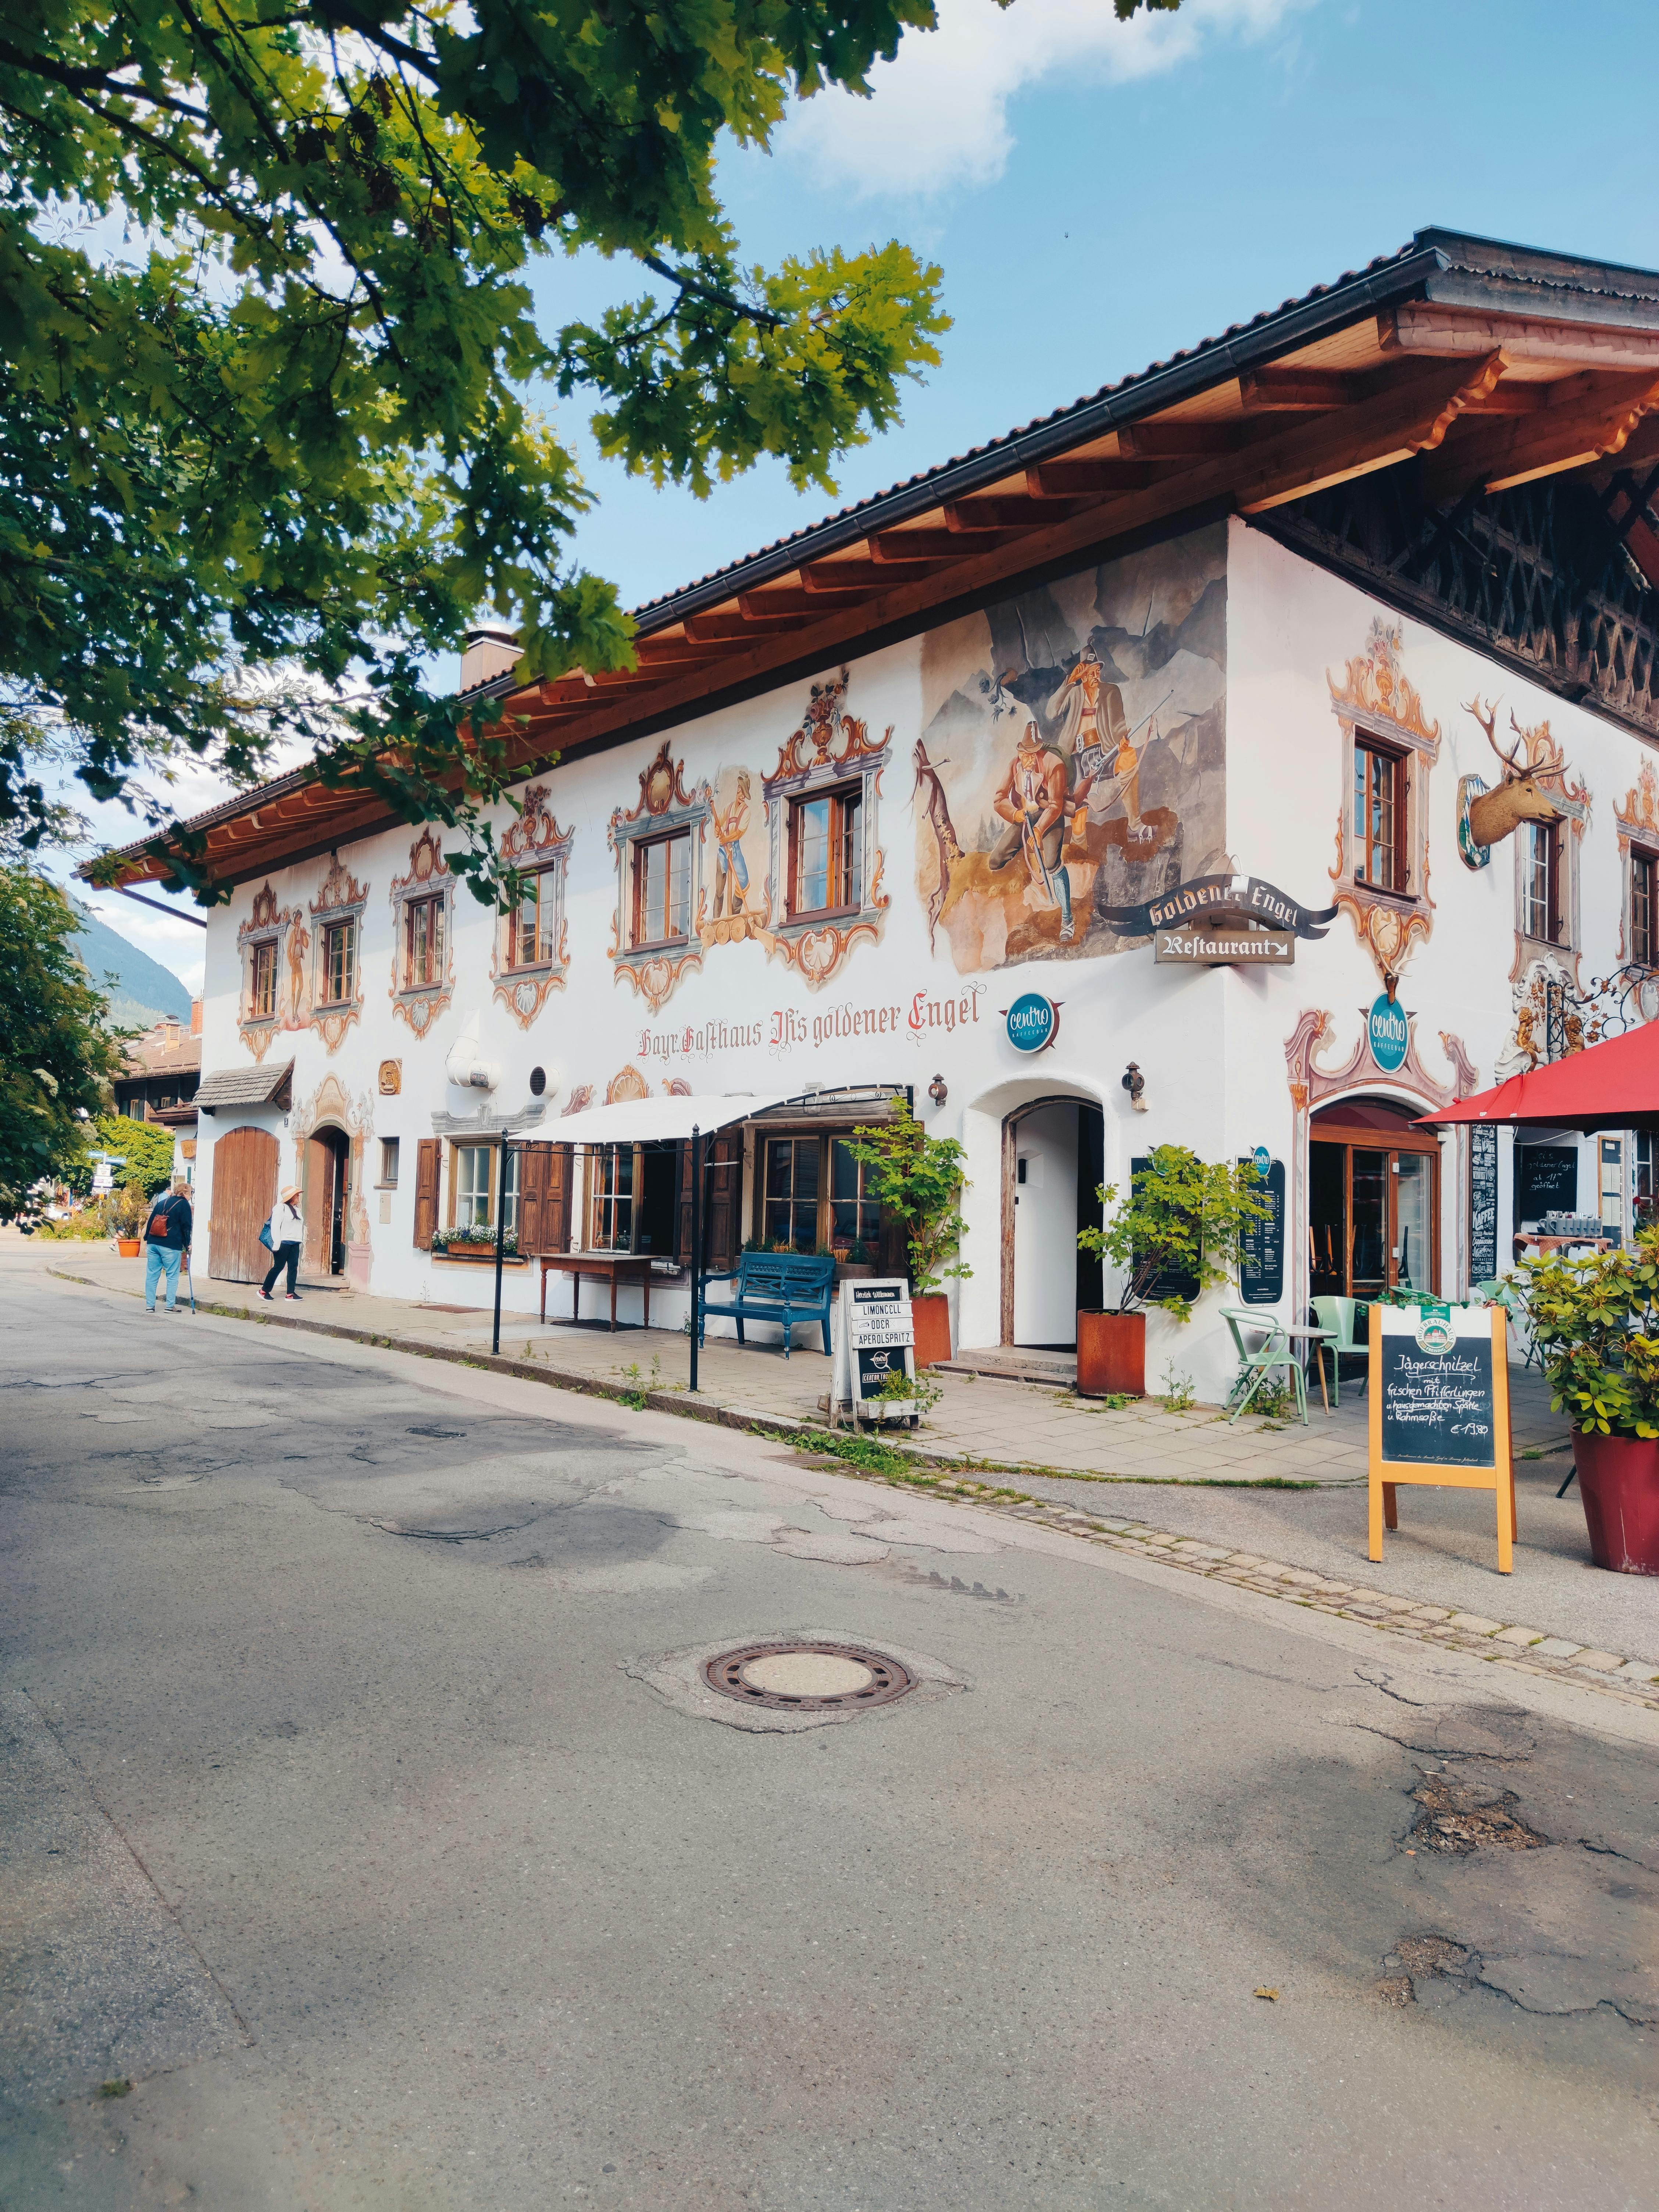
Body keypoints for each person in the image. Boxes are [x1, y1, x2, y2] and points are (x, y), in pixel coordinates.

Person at [988, 718, 1075, 942]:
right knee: (995, 861)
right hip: (1023, 817)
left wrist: (1039, 830)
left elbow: (1056, 806)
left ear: (1040, 751)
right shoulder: (1014, 765)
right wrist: (1016, 815)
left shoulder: (1054, 765)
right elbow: (999, 799)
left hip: (1049, 817)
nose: (1027, 760)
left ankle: (1067, 919)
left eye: (1032, 754)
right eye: (1023, 754)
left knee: (1051, 864)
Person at [143, 1177, 193, 1314]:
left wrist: (147, 1237)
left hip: (154, 1243)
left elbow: (152, 1220)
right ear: (184, 1193)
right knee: (172, 1275)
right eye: (190, 1193)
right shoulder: (184, 1205)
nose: (190, 1196)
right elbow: (186, 1227)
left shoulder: (163, 1202)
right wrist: (187, 1244)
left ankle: (150, 1306)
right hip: (171, 1245)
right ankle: (170, 1306)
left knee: (152, 1275)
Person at [260, 1184, 304, 1302]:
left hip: (295, 1242)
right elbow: (275, 1226)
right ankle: (264, 1291)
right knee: (279, 1267)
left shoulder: (297, 1210)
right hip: (283, 1243)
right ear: (291, 1197)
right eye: (297, 1195)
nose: (299, 1196)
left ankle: (290, 1294)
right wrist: (277, 1244)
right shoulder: (280, 1208)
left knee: (293, 1267)